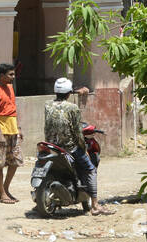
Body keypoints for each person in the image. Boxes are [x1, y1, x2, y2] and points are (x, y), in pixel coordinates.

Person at [43, 77, 107, 215]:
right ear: (68, 93)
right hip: (69, 148)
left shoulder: (47, 105)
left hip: (51, 145)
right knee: (90, 169)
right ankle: (95, 205)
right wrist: (82, 146)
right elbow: (77, 132)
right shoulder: (73, 108)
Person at [0, 62, 22, 204]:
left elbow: (12, 109)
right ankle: (2, 194)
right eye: (11, 74)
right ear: (2, 75)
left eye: (14, 74)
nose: (13, 77)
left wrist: (18, 128)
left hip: (13, 129)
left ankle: (6, 189)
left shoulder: (10, 87)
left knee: (15, 161)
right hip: (0, 131)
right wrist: (0, 134)